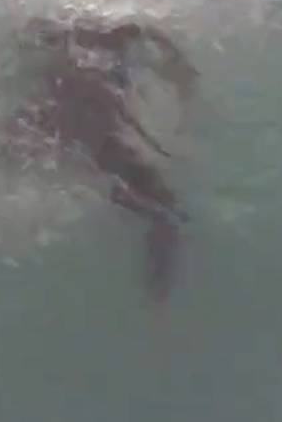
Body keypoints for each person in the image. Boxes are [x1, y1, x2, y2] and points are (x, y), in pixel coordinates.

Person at [18, 18, 199, 304]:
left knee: (165, 211)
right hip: (86, 129)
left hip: (79, 127)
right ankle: (158, 306)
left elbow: (172, 62)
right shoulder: (105, 31)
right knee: (166, 211)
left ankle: (158, 300)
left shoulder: (121, 30)